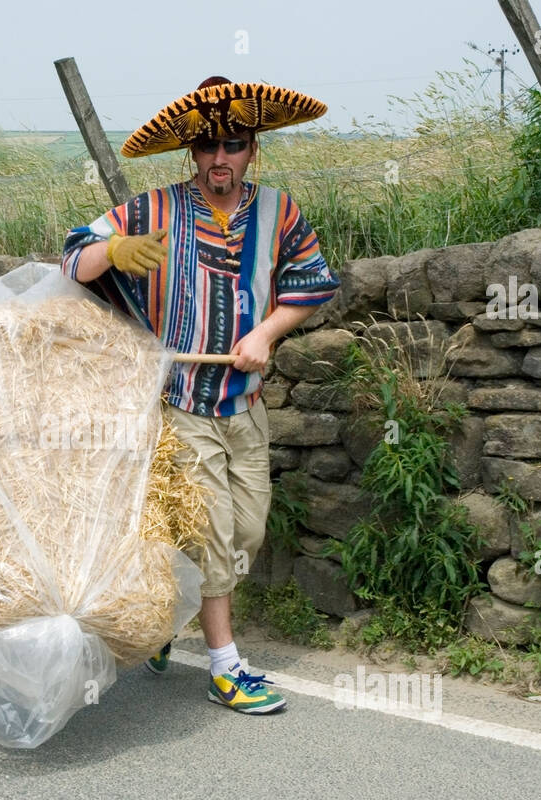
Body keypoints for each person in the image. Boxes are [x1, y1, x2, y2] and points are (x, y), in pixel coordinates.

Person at [62, 77, 341, 714]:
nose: (221, 158)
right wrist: (114, 248)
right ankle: (224, 666)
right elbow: (71, 259)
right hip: (181, 401)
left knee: (248, 528)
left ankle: (169, 613)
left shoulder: (278, 212)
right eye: (208, 146)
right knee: (214, 529)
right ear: (191, 152)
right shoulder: (155, 210)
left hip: (246, 403)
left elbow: (311, 279)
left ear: (253, 150)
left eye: (234, 145)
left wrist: (267, 332)